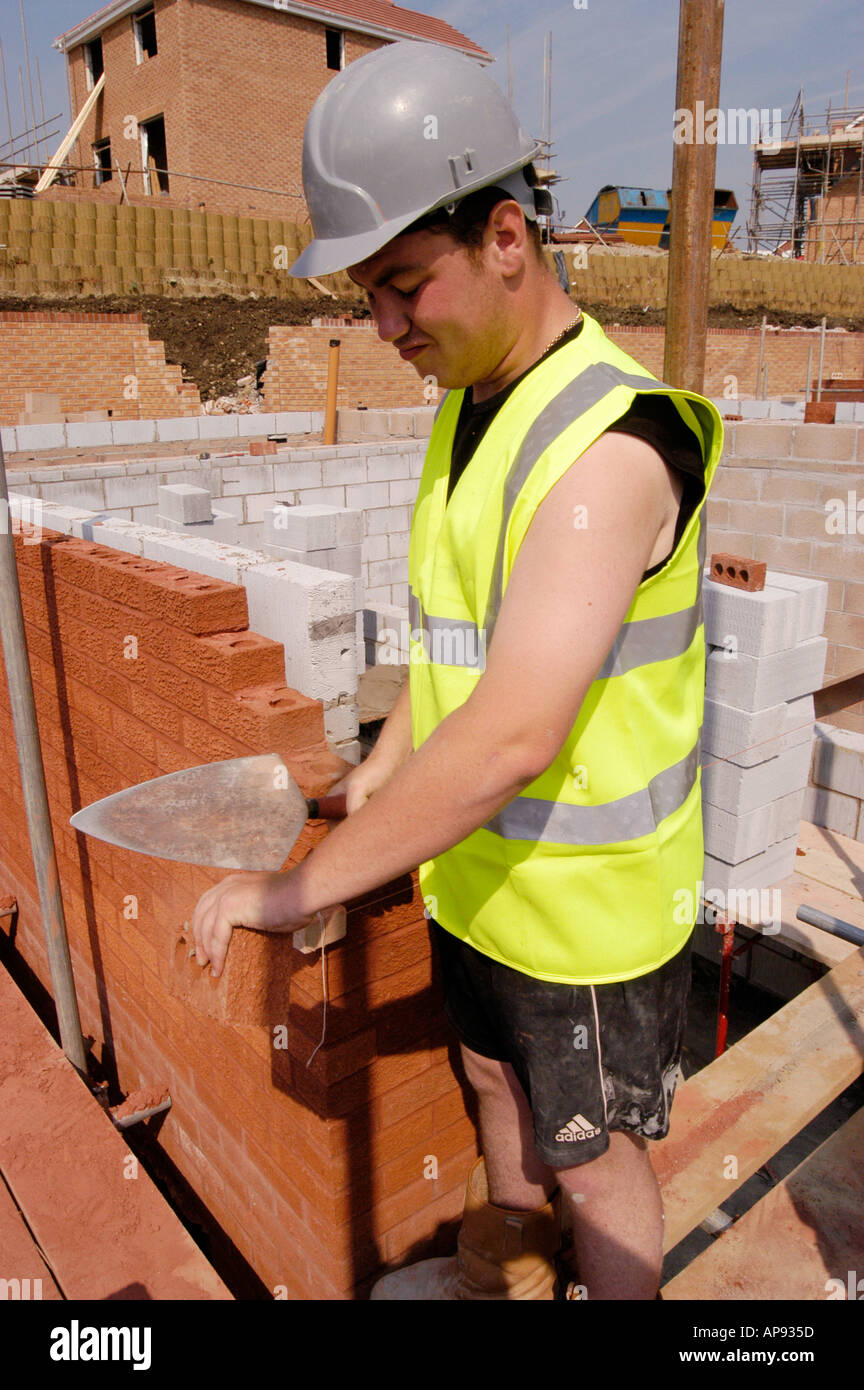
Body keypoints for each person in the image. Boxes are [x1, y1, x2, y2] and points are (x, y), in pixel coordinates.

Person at [190, 40, 724, 1300]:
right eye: (367, 294)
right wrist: (384, 766)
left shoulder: (610, 445)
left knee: (594, 1161)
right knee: (491, 1082)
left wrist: (295, 888)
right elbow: (454, 649)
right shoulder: (473, 399)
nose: (382, 326)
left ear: (505, 237)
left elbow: (512, 734)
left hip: (588, 917)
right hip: (484, 885)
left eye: (404, 285)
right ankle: (503, 1279)